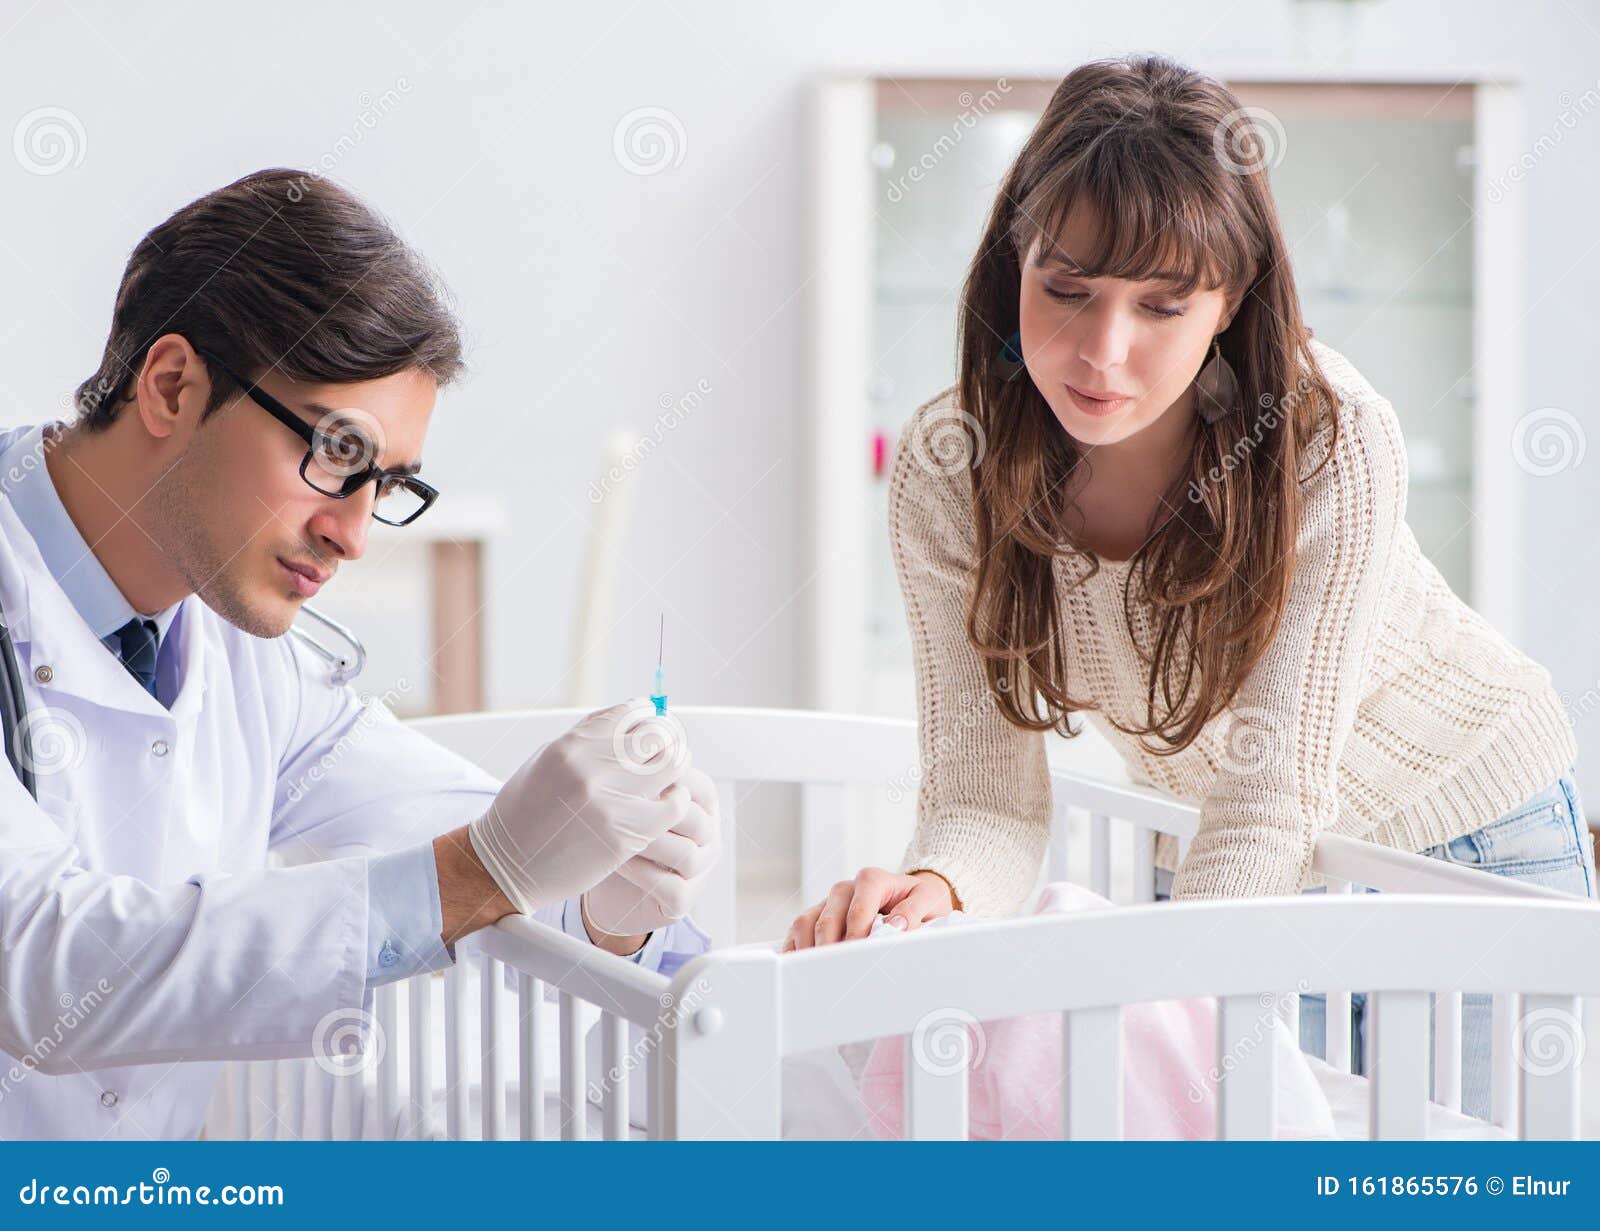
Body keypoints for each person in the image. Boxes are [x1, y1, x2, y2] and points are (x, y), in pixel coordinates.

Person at [785, 55, 1593, 1119]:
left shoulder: (1325, 436)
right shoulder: (951, 464)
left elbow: (1274, 792)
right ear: (1009, 262)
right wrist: (932, 894)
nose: (1100, 353)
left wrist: (1137, 996)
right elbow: (984, 797)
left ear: (1229, 302)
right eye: (1063, 288)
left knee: (1451, 1186)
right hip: (1223, 858)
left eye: (1161, 305)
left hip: (1467, 845)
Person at [0, 169, 716, 1139]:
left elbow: (469, 829)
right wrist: (493, 865)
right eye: (337, 456)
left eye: (386, 485)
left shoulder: (239, 644)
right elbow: (49, 967)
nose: (354, 534)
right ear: (172, 386)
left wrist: (606, 898)